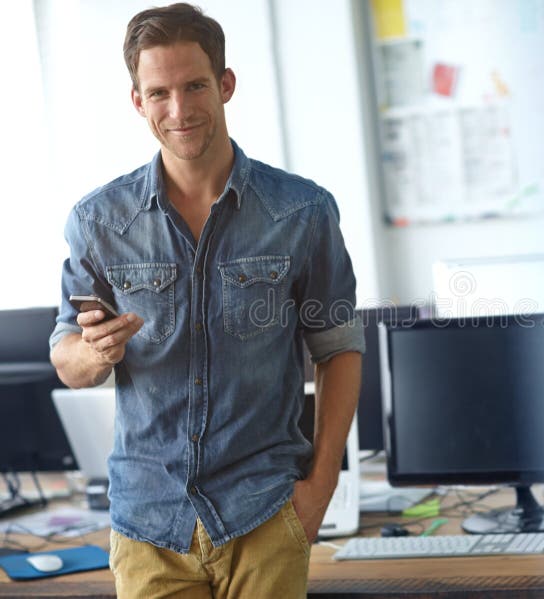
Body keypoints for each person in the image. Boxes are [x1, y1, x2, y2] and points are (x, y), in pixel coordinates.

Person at [49, 3, 364, 597]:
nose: (180, 109)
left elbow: (339, 349)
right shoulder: (98, 222)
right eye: (159, 92)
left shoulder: (302, 212)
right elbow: (67, 358)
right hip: (149, 528)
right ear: (138, 102)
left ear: (225, 84)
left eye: (195, 86)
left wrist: (320, 488)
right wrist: (96, 354)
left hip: (265, 514)